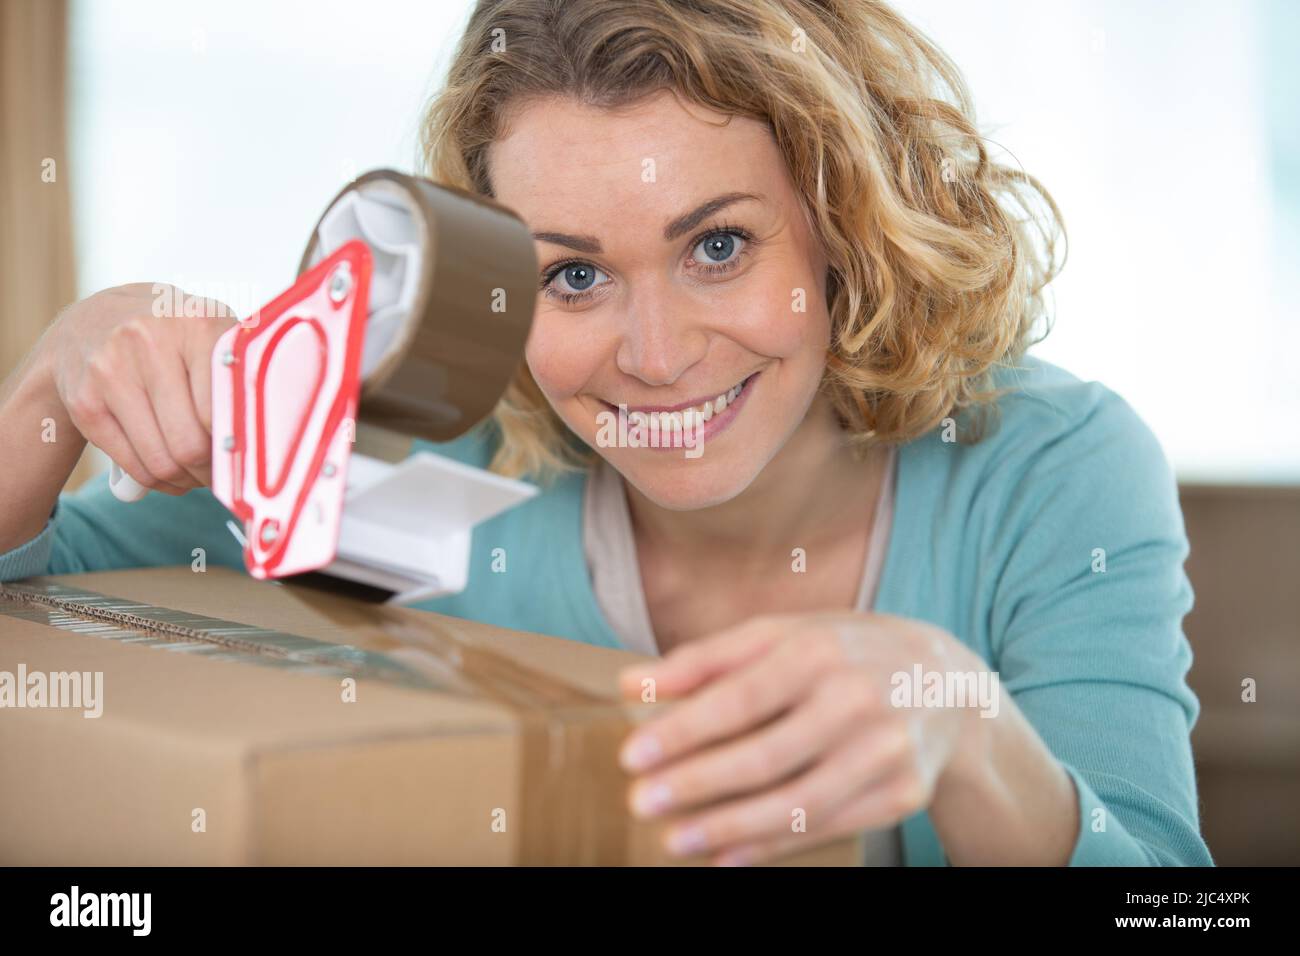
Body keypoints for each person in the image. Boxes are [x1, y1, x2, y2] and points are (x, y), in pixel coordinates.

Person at [0, 0, 1212, 866]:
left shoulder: (1048, 469)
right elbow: (35, 600)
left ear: (845, 229)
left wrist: (964, 723)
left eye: (718, 246)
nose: (652, 351)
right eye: (572, 276)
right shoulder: (424, 458)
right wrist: (52, 386)